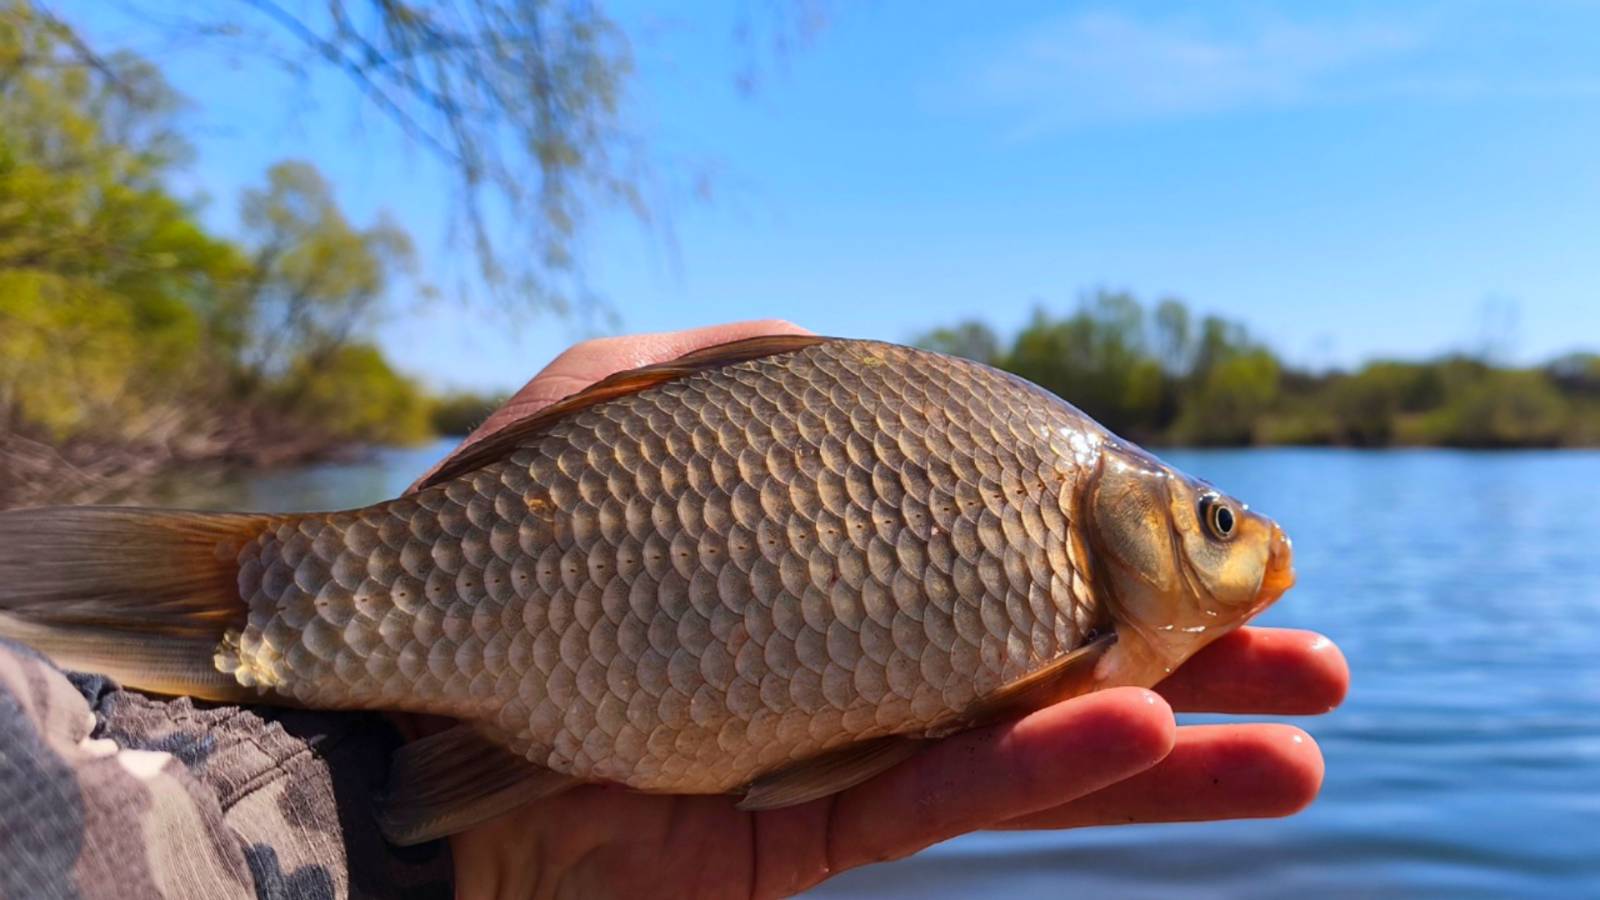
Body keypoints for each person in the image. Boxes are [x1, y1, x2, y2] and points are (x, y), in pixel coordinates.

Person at [0, 321, 1348, 900]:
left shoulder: (1054, 501)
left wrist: (399, 844)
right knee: (276, 604)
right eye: (1214, 528)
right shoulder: (1060, 527)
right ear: (1125, 519)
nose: (1235, 550)